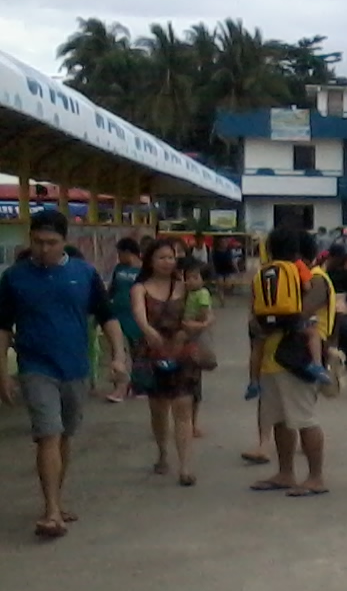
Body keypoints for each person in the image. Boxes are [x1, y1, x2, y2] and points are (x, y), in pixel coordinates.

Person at [0, 210, 129, 537]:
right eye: (38, 242)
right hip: (35, 367)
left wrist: (118, 357)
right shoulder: (14, 278)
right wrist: (2, 371)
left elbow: (107, 318)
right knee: (48, 434)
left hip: (75, 368)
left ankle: (58, 497)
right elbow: (2, 327)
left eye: (52, 242)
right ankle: (52, 511)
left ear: (64, 241)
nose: (44, 249)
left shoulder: (84, 274)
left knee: (64, 436)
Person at [249, 225, 334, 497]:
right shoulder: (274, 277)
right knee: (280, 420)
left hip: (299, 359)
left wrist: (266, 321)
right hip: (273, 358)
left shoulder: (318, 279)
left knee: (305, 419)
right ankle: (285, 472)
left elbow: (297, 314)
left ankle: (315, 477)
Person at [131, 238, 203, 486]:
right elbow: (139, 315)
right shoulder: (140, 288)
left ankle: (185, 466)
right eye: (161, 257)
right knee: (159, 408)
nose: (167, 262)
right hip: (153, 353)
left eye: (171, 257)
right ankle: (162, 452)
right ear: (150, 260)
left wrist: (189, 331)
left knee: (183, 405)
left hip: (182, 350)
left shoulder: (184, 287)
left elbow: (198, 314)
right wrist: (148, 331)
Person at [180, 257, 215, 438]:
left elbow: (203, 317)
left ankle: (192, 423)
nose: (190, 281)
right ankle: (188, 423)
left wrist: (194, 324)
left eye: (195, 277)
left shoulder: (202, 294)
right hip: (185, 340)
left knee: (193, 384)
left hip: (192, 340)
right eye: (188, 277)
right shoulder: (185, 293)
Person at [105, 236, 143, 402]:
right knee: (119, 351)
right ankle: (120, 388)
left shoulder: (144, 271)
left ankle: (138, 385)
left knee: (138, 352)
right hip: (118, 315)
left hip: (136, 317)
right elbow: (112, 289)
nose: (119, 257)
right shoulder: (119, 269)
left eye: (120, 253)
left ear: (129, 253)